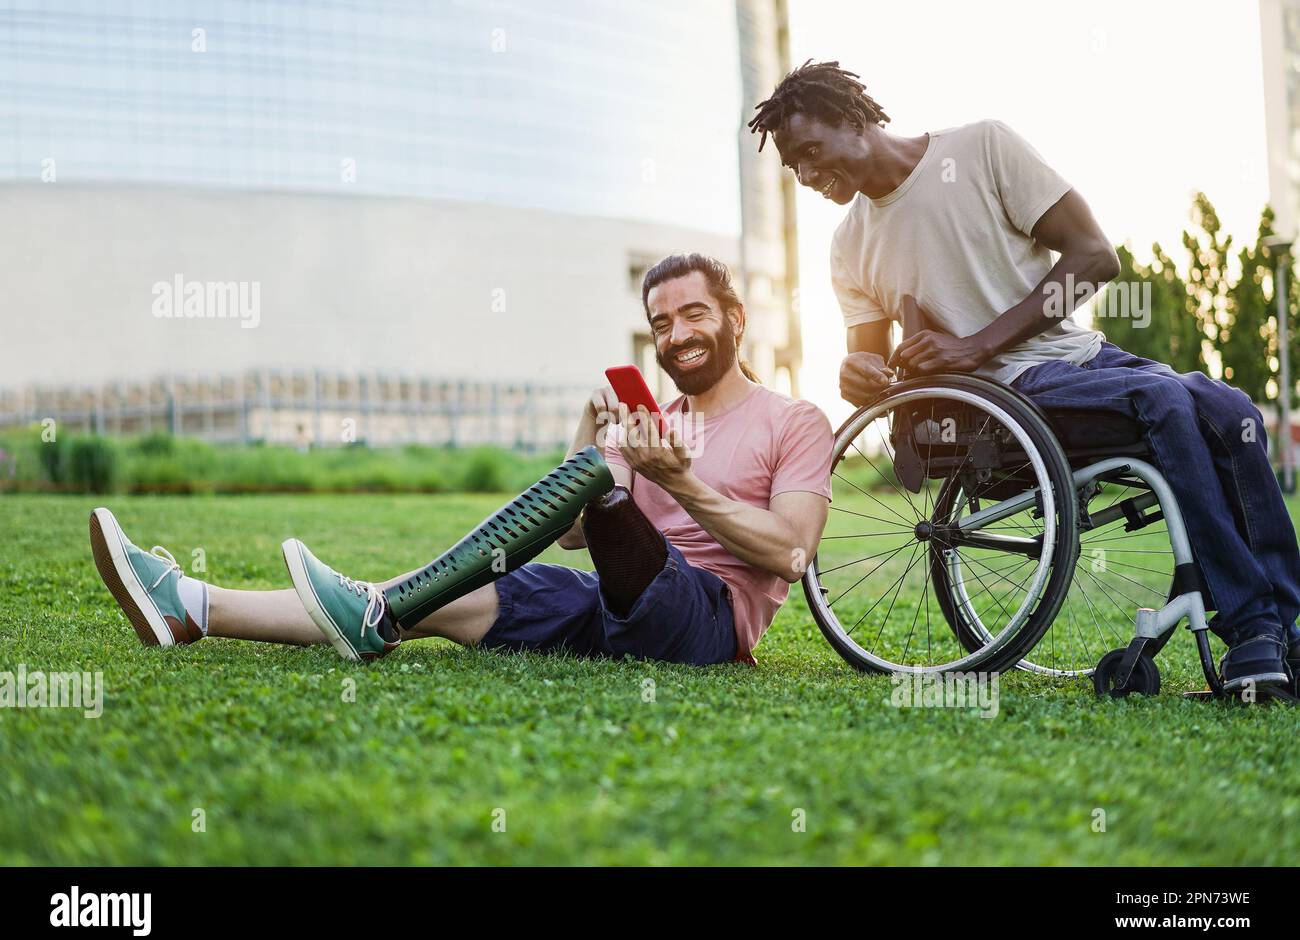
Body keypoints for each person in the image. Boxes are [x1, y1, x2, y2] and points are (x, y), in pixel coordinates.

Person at [749, 59, 1300, 691]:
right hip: (1003, 401)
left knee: (1234, 411)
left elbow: (1095, 257)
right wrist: (859, 374)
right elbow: (871, 363)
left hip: (1087, 362)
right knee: (1163, 400)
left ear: (852, 119)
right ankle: (1253, 629)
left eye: (813, 152)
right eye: (796, 167)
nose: (809, 176)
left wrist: (974, 342)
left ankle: (1286, 633)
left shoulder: (982, 147)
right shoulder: (849, 245)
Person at [90, 253, 833, 667]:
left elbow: (792, 553)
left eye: (695, 314)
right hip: (614, 605)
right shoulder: (650, 425)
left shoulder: (795, 420)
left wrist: (680, 484)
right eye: (661, 323)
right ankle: (191, 605)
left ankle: (375, 614)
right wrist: (589, 431)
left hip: (702, 623)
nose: (677, 335)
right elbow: (575, 539)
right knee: (437, 594)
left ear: (735, 318)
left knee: (606, 496)